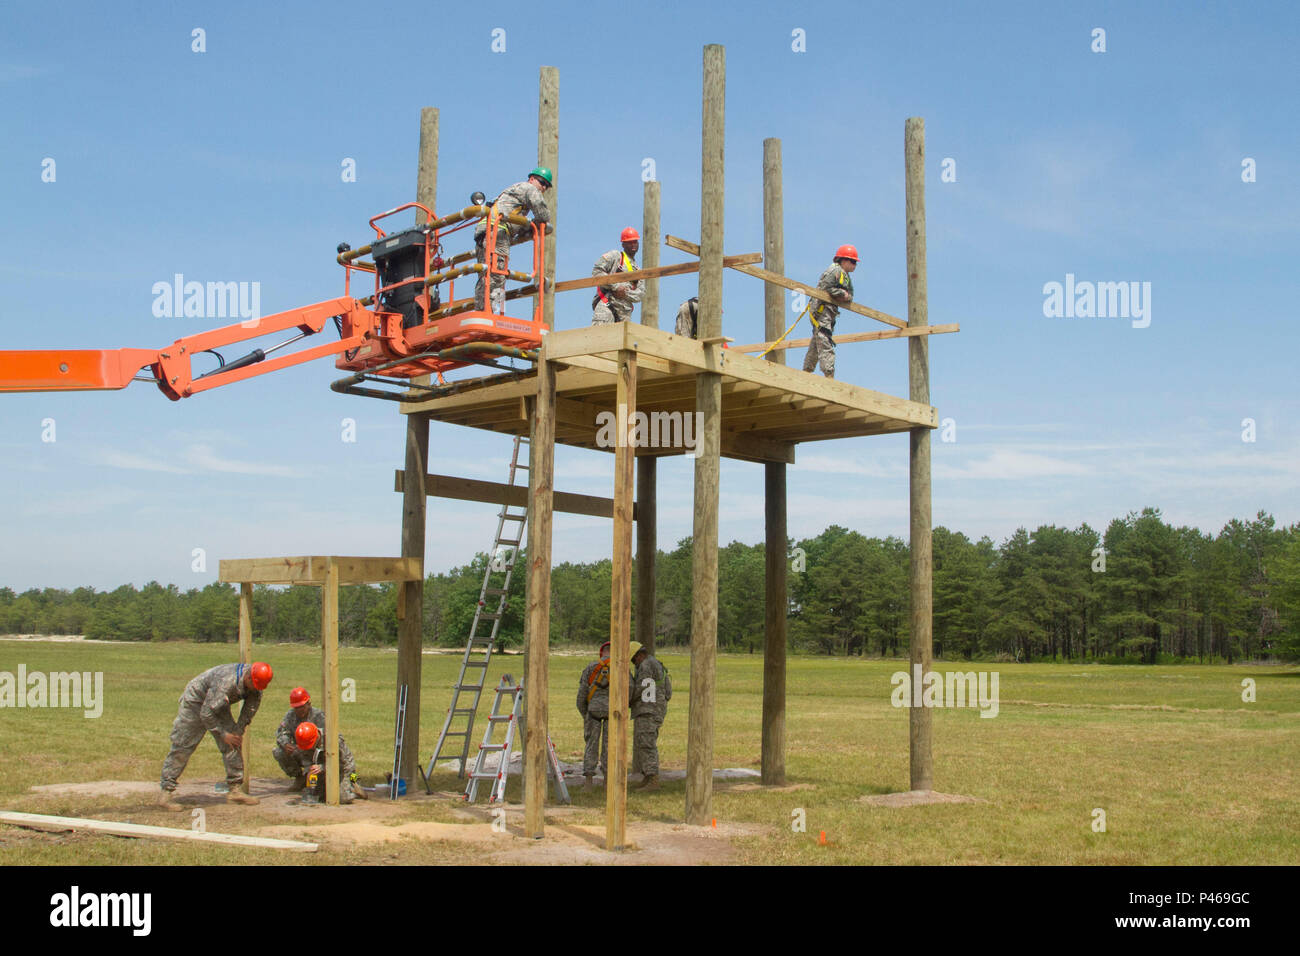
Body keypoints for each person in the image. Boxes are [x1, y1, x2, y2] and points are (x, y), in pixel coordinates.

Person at [158, 661, 272, 811]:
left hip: (218, 703)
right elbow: (206, 713)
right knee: (183, 746)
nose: (256, 690)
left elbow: (249, 709)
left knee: (233, 742)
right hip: (196, 702)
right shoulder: (226, 682)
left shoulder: (257, 685)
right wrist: (223, 734)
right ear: (248, 678)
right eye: (255, 686)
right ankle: (166, 793)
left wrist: (238, 731)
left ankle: (235, 790)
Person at [473, 167, 553, 312]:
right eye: (542, 183)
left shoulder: (513, 193)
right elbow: (543, 214)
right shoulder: (528, 188)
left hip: (484, 230)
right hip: (498, 231)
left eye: (546, 186)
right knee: (498, 273)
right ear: (532, 179)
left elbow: (515, 221)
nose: (543, 188)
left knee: (485, 272)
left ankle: (481, 311)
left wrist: (525, 227)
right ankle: (491, 312)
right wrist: (533, 224)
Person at [802, 244, 858, 379]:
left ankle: (806, 371)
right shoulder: (834, 271)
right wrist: (841, 294)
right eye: (853, 261)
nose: (855, 265)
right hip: (822, 311)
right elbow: (825, 288)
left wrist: (846, 295)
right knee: (824, 339)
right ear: (844, 260)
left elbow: (850, 294)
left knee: (818, 341)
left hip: (829, 313)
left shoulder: (844, 275)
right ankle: (829, 375)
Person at [289, 721, 367, 804]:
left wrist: (322, 767)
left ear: (316, 737)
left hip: (343, 767)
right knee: (321, 796)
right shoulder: (304, 740)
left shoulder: (333, 739)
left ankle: (354, 783)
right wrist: (309, 770)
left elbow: (342, 763)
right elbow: (306, 760)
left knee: (342, 798)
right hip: (322, 769)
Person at [628, 641, 670, 791]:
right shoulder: (656, 663)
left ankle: (653, 780)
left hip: (648, 710)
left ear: (639, 655)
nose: (634, 663)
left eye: (633, 659)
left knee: (646, 743)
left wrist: (628, 699)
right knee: (644, 742)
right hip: (655, 709)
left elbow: (640, 688)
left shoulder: (646, 665)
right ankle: (648, 776)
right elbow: (668, 691)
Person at [272, 686, 325, 791]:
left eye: (302, 707)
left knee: (344, 792)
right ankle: (301, 779)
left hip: (321, 757)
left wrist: (322, 767)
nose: (299, 710)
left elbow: (340, 761)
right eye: (296, 708)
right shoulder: (291, 716)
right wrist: (286, 744)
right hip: (302, 751)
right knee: (279, 752)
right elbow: (282, 733)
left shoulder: (320, 717)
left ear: (308, 704)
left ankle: (354, 783)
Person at [576, 641, 613, 791]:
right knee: (610, 747)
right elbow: (629, 689)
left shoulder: (591, 668)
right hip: (613, 713)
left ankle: (588, 782)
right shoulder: (620, 667)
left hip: (593, 712)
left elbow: (582, 693)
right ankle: (607, 782)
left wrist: (585, 713)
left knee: (591, 745)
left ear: (601, 652)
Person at [590, 228, 643, 325]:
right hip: (607, 308)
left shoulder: (637, 270)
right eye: (629, 242)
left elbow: (640, 294)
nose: (633, 245)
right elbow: (597, 272)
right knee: (599, 338)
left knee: (621, 340)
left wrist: (625, 293)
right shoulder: (615, 256)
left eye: (635, 242)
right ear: (623, 244)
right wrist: (616, 287)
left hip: (624, 315)